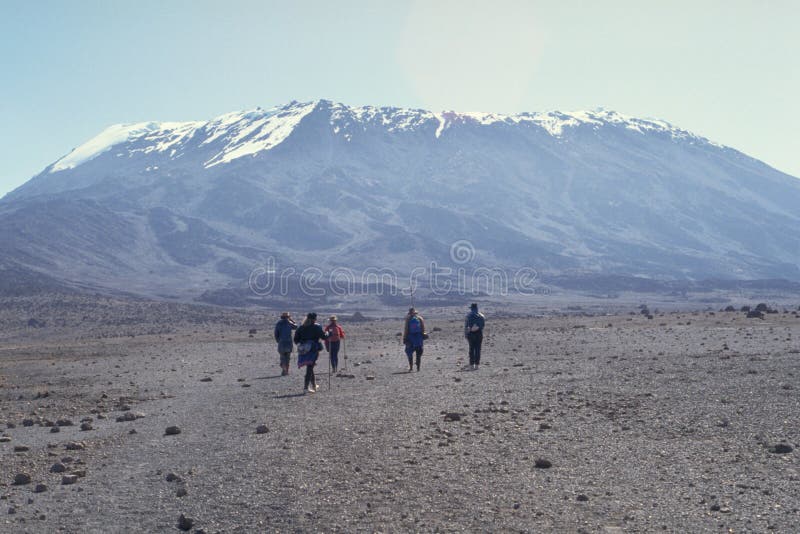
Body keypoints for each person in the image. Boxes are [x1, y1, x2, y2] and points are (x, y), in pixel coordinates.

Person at [294, 312, 329, 394]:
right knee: (310, 367)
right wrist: (328, 333)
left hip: (303, 350)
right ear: (314, 319)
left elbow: (296, 339)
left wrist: (302, 345)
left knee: (310, 366)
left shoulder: (301, 327)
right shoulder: (317, 327)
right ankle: (306, 388)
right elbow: (323, 337)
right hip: (313, 350)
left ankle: (314, 385)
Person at [403, 307, 427, 372]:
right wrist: (424, 334)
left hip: (410, 338)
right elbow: (423, 328)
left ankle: (411, 367)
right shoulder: (420, 318)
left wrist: (404, 338)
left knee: (409, 352)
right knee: (418, 353)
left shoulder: (408, 319)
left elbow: (406, 329)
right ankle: (418, 368)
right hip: (419, 338)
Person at [274, 312, 297, 376]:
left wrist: (278, 340)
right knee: (288, 358)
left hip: (281, 343)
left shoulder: (278, 323)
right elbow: (296, 326)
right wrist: (292, 320)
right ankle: (286, 371)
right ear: (288, 317)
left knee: (282, 357)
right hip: (289, 343)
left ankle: (284, 369)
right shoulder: (290, 323)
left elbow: (276, 333)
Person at [464, 302, 485, 370]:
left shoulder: (468, 316)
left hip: (471, 334)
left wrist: (466, 335)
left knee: (471, 349)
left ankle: (471, 365)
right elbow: (483, 326)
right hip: (479, 334)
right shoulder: (481, 316)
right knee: (478, 349)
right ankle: (477, 365)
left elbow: (466, 326)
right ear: (477, 308)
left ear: (471, 308)